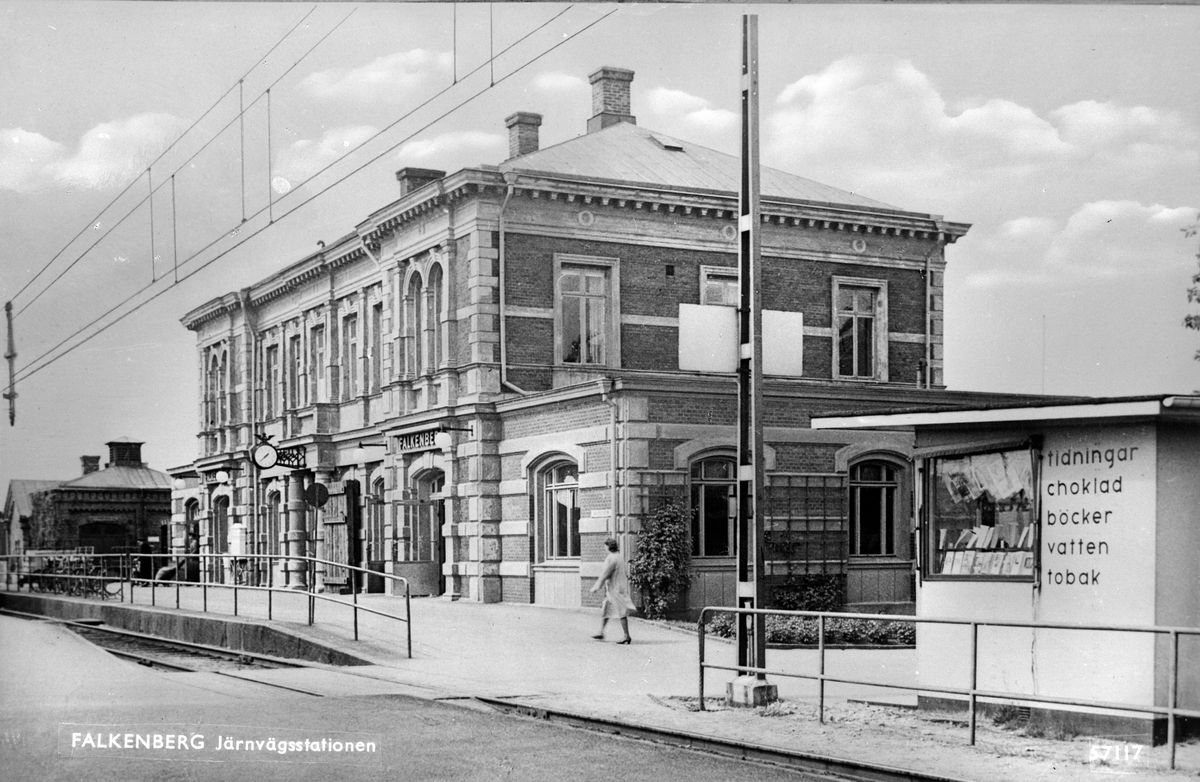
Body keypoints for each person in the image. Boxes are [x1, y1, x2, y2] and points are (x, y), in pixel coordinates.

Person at [590, 537, 633, 644]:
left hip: (615, 589)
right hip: (615, 588)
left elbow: (606, 573)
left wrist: (596, 586)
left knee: (621, 611)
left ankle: (626, 636)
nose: (604, 548)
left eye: (605, 546)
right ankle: (601, 632)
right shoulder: (619, 556)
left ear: (608, 546)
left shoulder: (612, 558)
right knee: (606, 609)